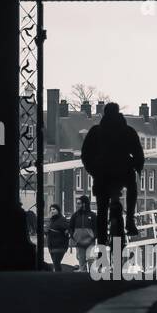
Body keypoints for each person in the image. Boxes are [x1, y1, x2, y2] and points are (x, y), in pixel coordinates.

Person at [80, 102, 144, 244]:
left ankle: (102, 243)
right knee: (132, 188)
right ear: (118, 112)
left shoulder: (96, 132)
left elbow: (85, 156)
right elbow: (139, 156)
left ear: (105, 113)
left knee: (102, 210)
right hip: (123, 174)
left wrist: (93, 170)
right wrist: (135, 167)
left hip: (102, 176)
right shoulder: (128, 131)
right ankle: (130, 221)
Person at [67, 196, 97, 271]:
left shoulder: (92, 215)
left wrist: (93, 237)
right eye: (77, 203)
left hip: (90, 242)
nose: (77, 205)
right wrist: (74, 237)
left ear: (84, 204)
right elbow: (70, 227)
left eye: (79, 203)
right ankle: (84, 278)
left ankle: (91, 278)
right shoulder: (75, 215)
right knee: (82, 263)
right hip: (79, 243)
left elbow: (96, 228)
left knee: (91, 261)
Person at [45, 203, 71, 272]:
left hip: (59, 246)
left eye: (54, 209)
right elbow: (46, 231)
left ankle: (58, 278)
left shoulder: (62, 219)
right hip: (51, 245)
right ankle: (58, 277)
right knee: (56, 264)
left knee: (56, 263)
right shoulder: (51, 220)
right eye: (51, 210)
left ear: (58, 210)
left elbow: (67, 231)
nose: (52, 211)